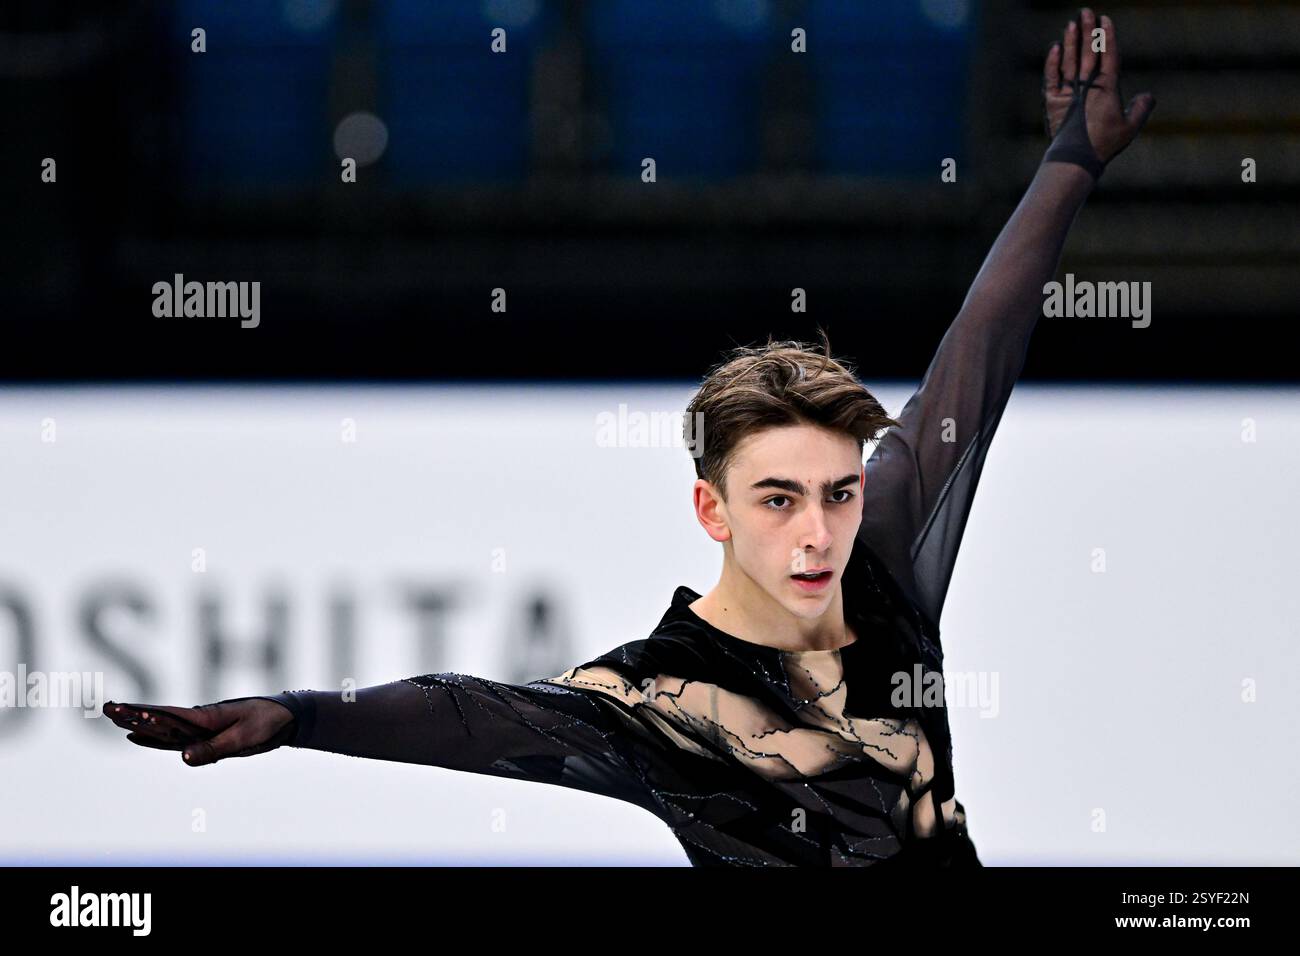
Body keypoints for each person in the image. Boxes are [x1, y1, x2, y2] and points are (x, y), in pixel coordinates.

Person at [105, 8, 1155, 867]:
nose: (818, 530)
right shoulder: (655, 698)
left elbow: (978, 352)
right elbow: (466, 713)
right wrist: (294, 712)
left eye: (836, 491)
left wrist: (1069, 159)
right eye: (778, 498)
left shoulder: (880, 558)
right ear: (713, 508)